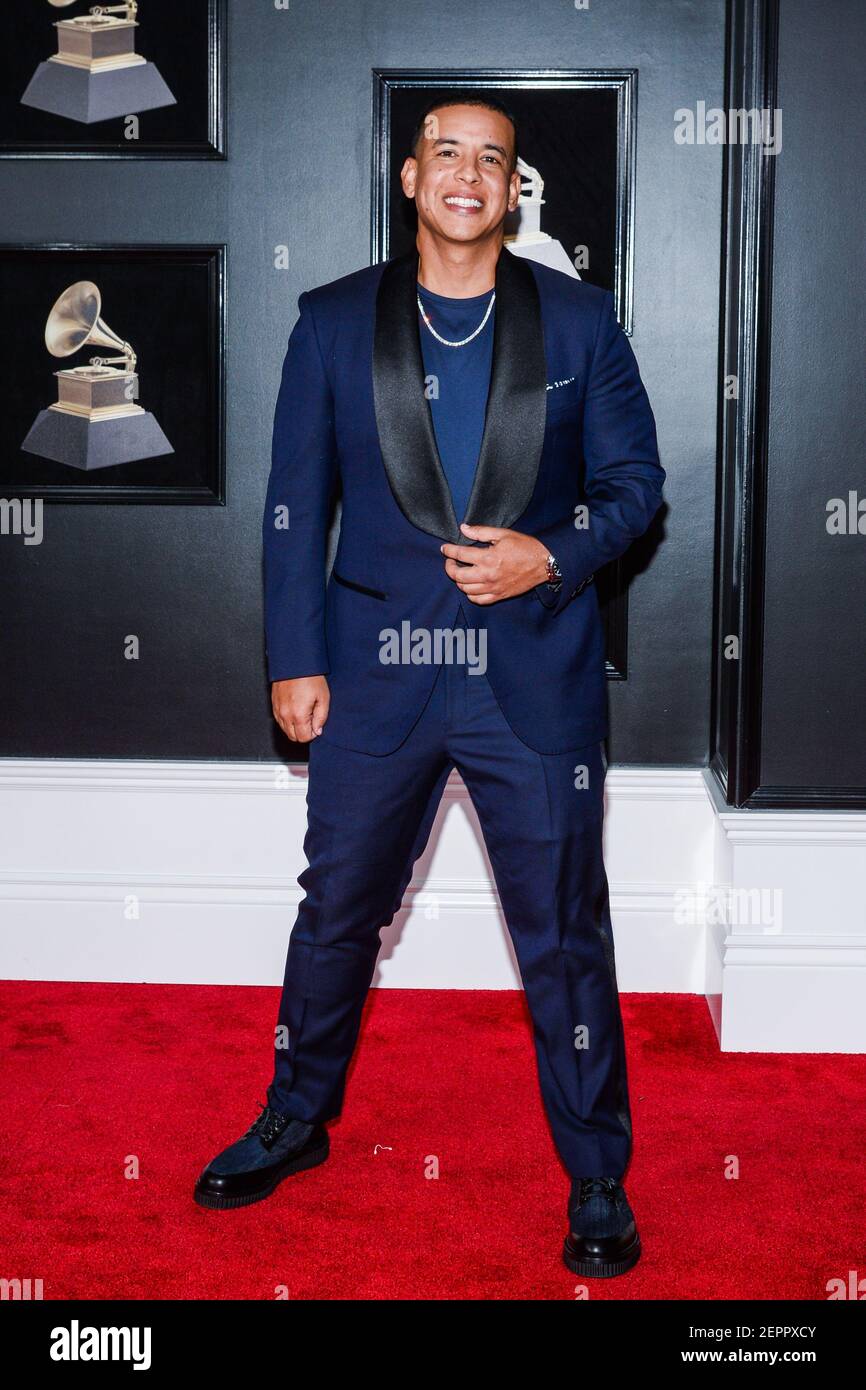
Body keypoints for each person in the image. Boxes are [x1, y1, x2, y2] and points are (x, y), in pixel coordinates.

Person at [195, 96, 665, 1279]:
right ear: (409, 178)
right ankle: (296, 1118)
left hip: (531, 678)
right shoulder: (329, 320)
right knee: (336, 909)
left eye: (490, 160)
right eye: (445, 154)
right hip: (375, 676)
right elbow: (294, 504)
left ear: (512, 191)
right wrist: (293, 660)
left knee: (561, 931)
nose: (467, 175)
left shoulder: (579, 319)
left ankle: (596, 1173)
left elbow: (634, 486)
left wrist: (547, 554)